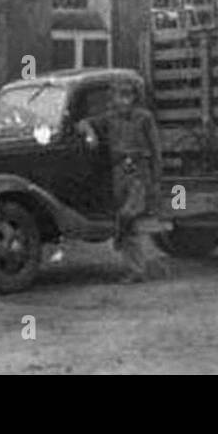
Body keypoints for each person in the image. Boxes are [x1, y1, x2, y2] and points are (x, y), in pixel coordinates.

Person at [78, 80, 162, 283]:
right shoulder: (109, 118)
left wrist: (157, 179)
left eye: (128, 96)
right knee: (129, 224)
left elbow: (155, 148)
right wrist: (90, 133)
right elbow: (82, 123)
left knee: (127, 215)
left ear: (134, 98)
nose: (125, 100)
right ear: (114, 99)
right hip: (119, 172)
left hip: (138, 171)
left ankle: (120, 240)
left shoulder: (144, 118)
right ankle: (136, 270)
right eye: (120, 96)